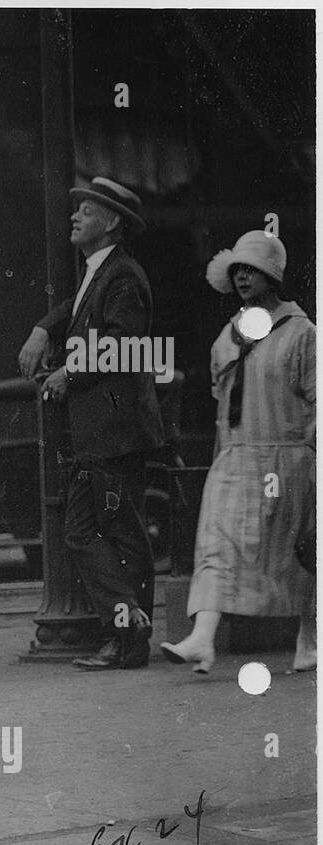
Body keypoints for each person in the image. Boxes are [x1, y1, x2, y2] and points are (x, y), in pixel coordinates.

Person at [18, 176, 164, 670]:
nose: (75, 216)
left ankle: (128, 635)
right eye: (76, 208)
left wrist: (68, 371)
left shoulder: (122, 277)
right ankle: (127, 629)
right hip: (104, 433)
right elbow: (78, 310)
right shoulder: (103, 272)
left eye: (87, 210)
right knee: (98, 529)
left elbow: (123, 344)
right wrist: (44, 326)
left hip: (115, 432)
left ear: (113, 222)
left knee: (110, 531)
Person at [161, 231, 316, 673]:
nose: (244, 277)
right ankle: (201, 639)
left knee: (297, 554)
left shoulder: (302, 334)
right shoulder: (226, 338)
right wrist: (219, 457)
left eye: (253, 270)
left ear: (273, 277)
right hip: (235, 457)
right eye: (238, 271)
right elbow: (222, 406)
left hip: (288, 459)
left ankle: (310, 641)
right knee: (216, 544)